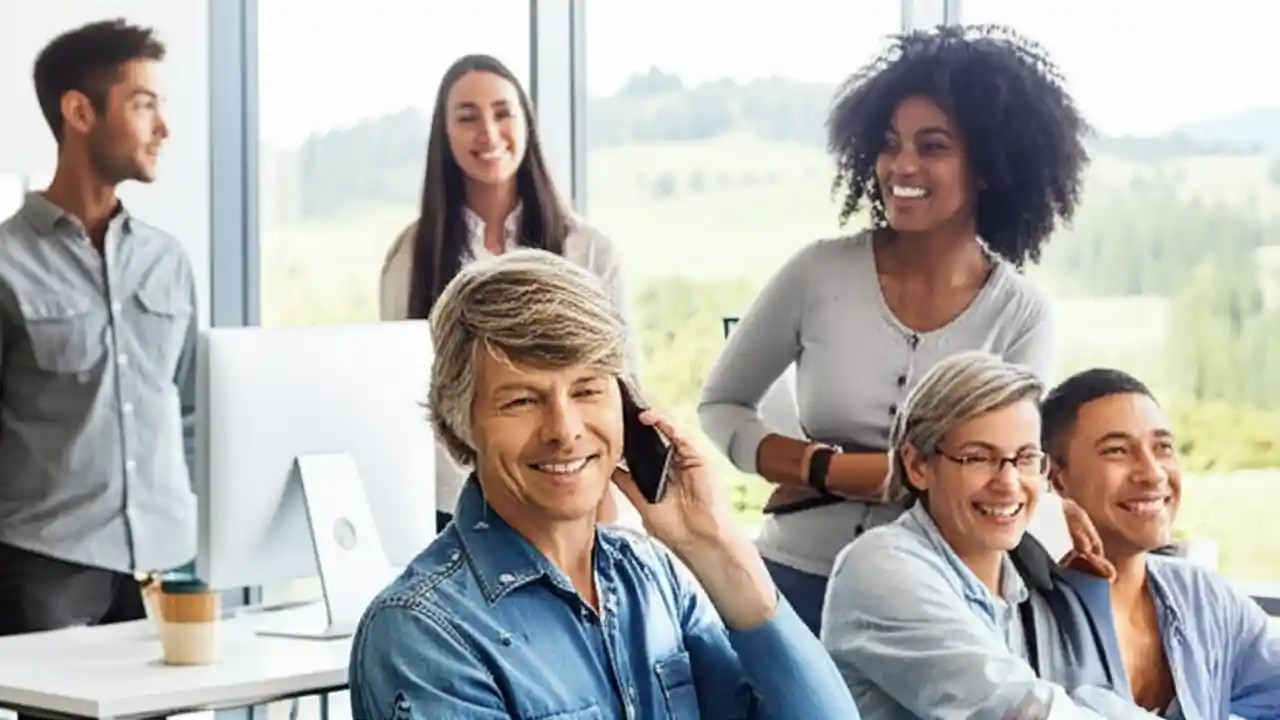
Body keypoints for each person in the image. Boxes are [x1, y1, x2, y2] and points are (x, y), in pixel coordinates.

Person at [697, 23, 1092, 632]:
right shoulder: (817, 272)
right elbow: (722, 404)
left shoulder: (1022, 317)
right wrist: (817, 467)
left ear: (987, 165)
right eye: (889, 143)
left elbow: (1000, 469)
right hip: (786, 585)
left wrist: (858, 475)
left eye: (932, 146)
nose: (901, 165)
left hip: (933, 603)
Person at [349, 250, 860, 720]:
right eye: (522, 401)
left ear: (630, 409)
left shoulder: (656, 580)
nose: (565, 430)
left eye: (588, 389)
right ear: (460, 423)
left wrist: (714, 543)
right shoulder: (422, 632)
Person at [379, 53, 637, 533]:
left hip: (564, 486)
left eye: (502, 112)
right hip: (450, 503)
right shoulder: (412, 256)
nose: (488, 132)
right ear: (444, 134)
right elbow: (400, 389)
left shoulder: (589, 250)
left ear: (526, 123)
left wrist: (605, 497)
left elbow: (621, 384)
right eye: (467, 117)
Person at [822, 353, 1156, 719]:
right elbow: (1017, 711)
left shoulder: (1020, 577)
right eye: (978, 457)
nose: (1008, 484)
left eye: (1026, 458)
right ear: (918, 465)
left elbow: (1093, 701)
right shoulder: (880, 568)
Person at [0, 19, 197, 636]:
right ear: (79, 111)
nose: (163, 127)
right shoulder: (6, 264)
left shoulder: (168, 259)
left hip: (167, 568)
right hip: (46, 572)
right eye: (143, 105)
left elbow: (192, 411)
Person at [1042, 369, 1280, 718]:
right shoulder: (1021, 610)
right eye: (1117, 450)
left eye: (1163, 447)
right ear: (1056, 480)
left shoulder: (1202, 597)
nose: (1152, 473)